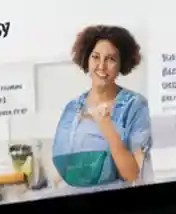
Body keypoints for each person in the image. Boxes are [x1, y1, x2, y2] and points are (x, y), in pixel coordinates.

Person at [51, 25, 153, 191]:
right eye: (95, 57)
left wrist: (106, 124)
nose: (101, 66)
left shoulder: (135, 105)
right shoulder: (72, 107)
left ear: (122, 64)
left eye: (111, 59)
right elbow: (63, 163)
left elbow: (134, 174)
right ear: (87, 59)